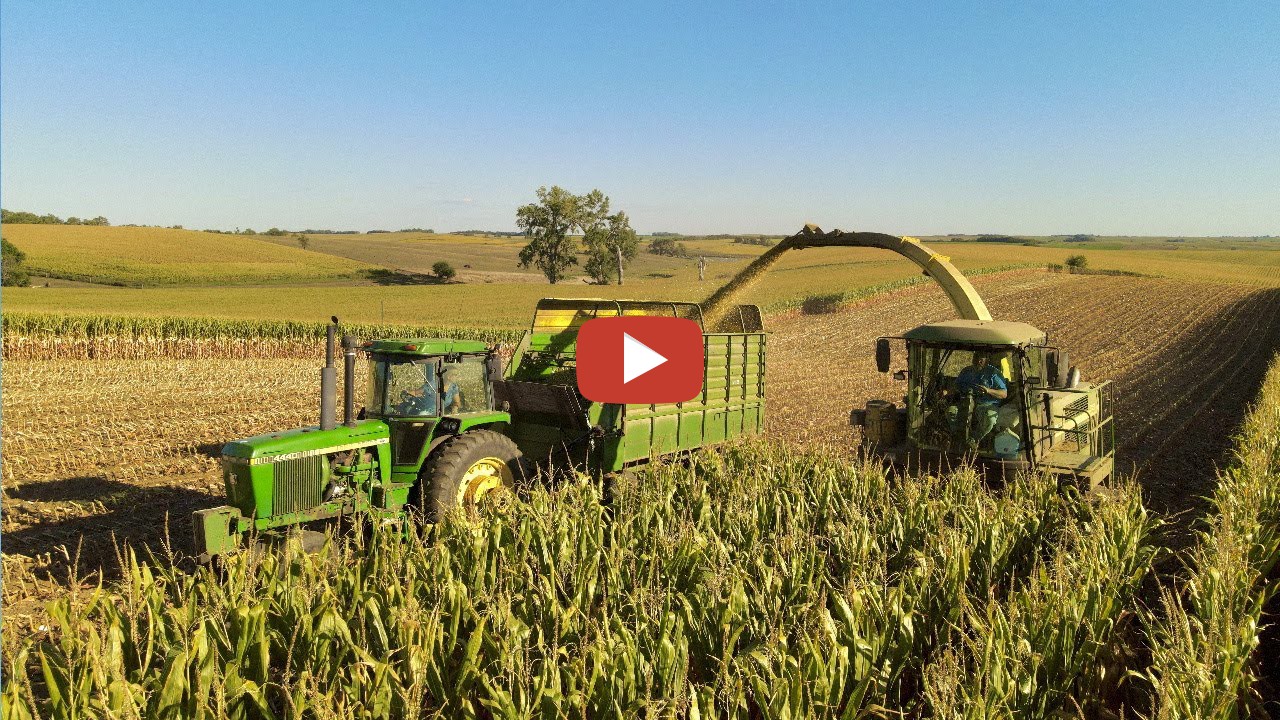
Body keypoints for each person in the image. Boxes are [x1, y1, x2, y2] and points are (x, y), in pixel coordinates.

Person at [948, 351, 1008, 450]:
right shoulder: (966, 371)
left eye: (982, 358)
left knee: (990, 419)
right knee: (951, 412)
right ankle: (960, 437)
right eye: (976, 357)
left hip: (986, 405)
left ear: (987, 360)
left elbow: (1003, 394)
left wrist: (988, 390)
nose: (978, 361)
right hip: (965, 402)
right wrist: (946, 392)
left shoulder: (994, 373)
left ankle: (973, 440)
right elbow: (956, 386)